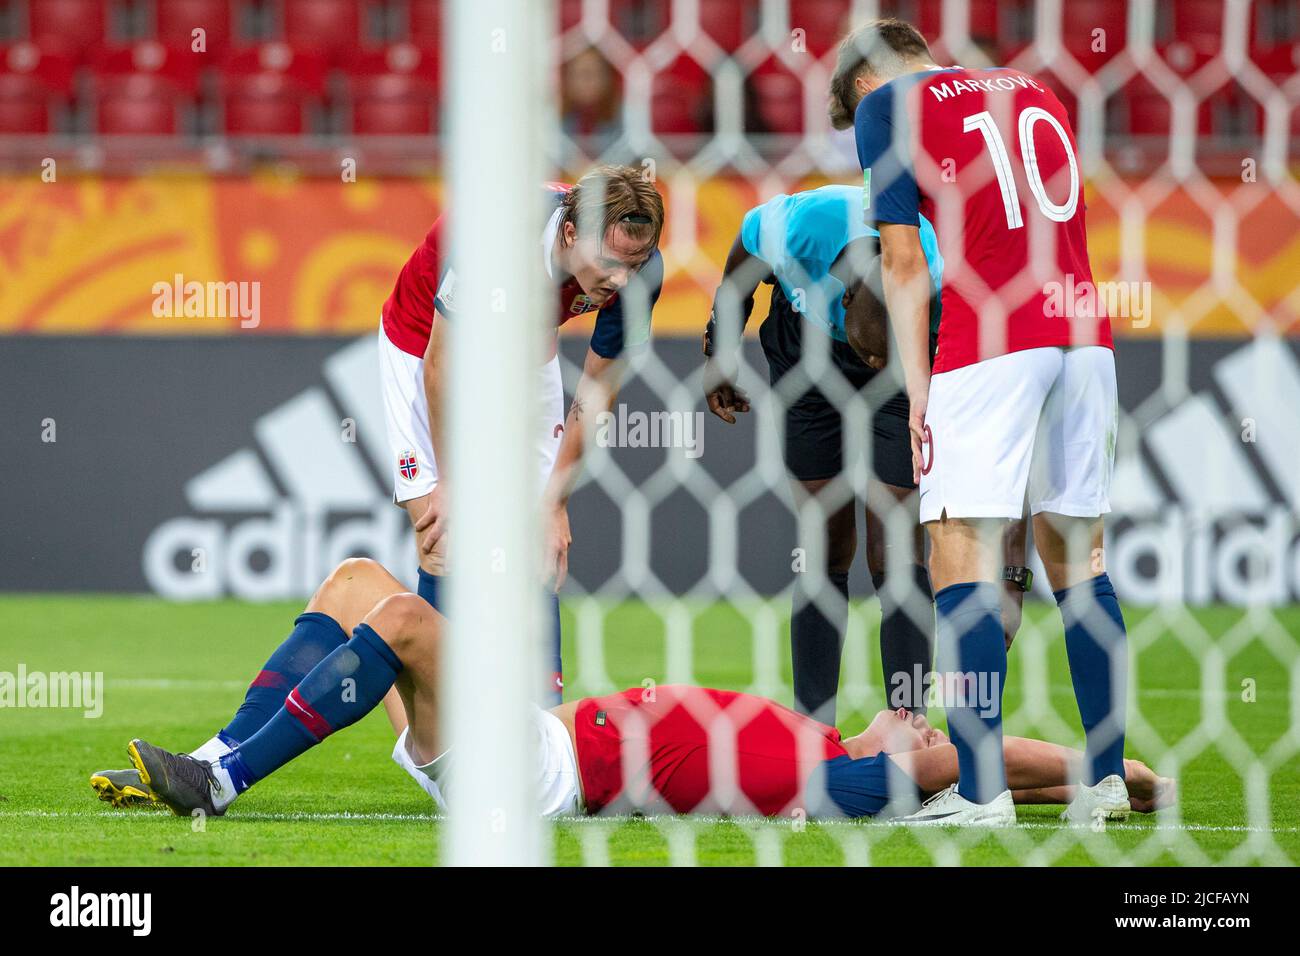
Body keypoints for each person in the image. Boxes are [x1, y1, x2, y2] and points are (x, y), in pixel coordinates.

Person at [91, 558, 1173, 824]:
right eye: (914, 714)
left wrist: (1101, 769)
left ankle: (225, 779)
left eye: (920, 731)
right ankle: (215, 752)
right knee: (357, 583)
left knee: (403, 619)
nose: (918, 719)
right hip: (534, 737)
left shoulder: (840, 776)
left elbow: (983, 761)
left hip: (532, 774)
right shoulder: (813, 735)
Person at [837, 19, 1127, 826]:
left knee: (958, 555)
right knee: (1080, 561)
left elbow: (900, 261)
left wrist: (919, 386)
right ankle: (1105, 781)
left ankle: (980, 789)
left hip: (992, 342)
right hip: (1084, 338)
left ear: (868, 80)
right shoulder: (1032, 87)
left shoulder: (884, 106)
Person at [701, 184, 1030, 727]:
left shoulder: (946, 272)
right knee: (823, 542)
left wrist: (1012, 573)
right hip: (803, 349)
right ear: (844, 295)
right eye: (868, 350)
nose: (872, 363)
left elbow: (1005, 417)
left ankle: (907, 722)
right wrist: (722, 351)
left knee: (894, 548)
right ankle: (814, 728)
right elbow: (738, 270)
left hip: (911, 371)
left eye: (883, 350)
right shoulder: (798, 227)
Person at [379, 165, 664, 700]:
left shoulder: (640, 271)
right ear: (571, 234)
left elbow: (598, 390)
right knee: (444, 538)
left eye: (634, 265)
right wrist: (452, 482)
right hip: (423, 340)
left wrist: (554, 502)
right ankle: (448, 720)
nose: (620, 280)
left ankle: (543, 718)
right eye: (608, 263)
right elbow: (442, 366)